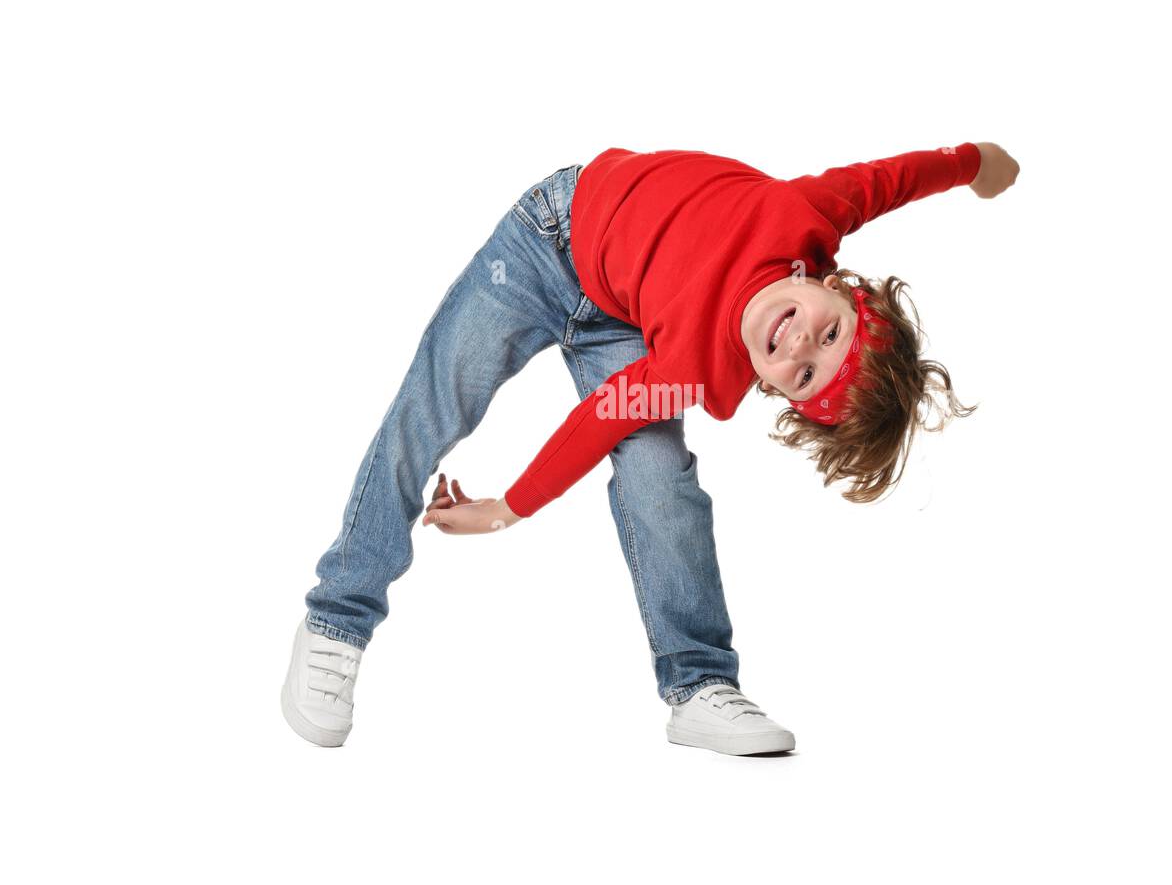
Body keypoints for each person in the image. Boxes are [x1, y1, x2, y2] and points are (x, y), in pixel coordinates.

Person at [280, 141, 1021, 754]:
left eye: (804, 373)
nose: (799, 344)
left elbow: (603, 416)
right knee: (430, 406)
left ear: (778, 390)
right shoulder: (805, 213)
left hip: (624, 325)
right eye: (828, 335)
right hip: (545, 239)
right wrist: (977, 162)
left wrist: (508, 507)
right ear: (832, 286)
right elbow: (896, 179)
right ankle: (336, 619)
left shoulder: (691, 367)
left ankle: (698, 683)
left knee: (660, 476)